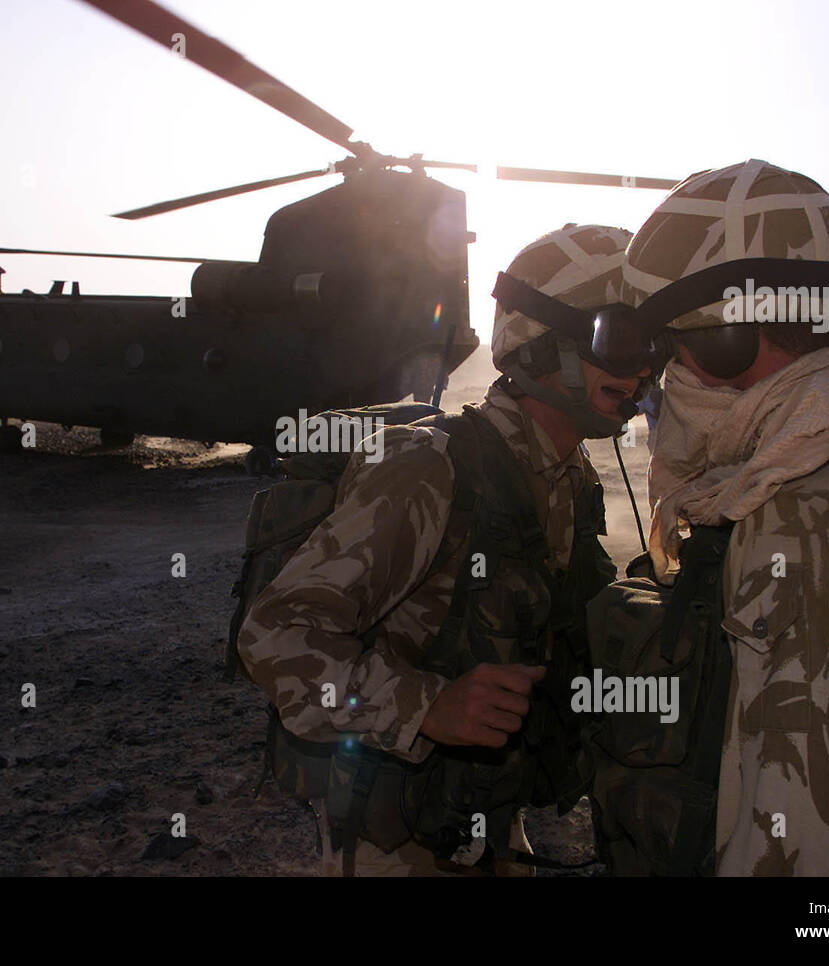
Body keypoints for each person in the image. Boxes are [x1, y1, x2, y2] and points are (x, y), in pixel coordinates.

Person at [236, 224, 654, 875]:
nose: (643, 368)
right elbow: (275, 634)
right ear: (545, 345)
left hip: (488, 815)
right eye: (621, 342)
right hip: (395, 840)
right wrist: (427, 705)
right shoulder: (431, 466)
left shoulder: (569, 475)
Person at [601, 159, 829, 875]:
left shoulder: (805, 521)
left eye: (675, 351)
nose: (668, 380)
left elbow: (804, 850)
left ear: (729, 343)